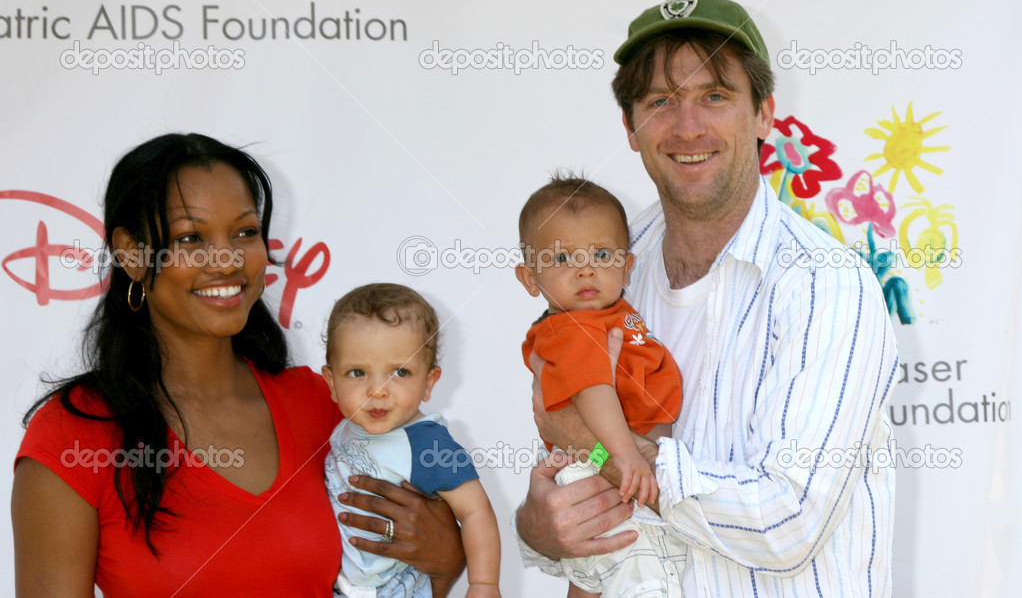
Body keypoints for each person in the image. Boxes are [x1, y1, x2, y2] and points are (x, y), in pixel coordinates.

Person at [515, 0, 899, 596]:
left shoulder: (825, 283)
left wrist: (617, 458)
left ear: (764, 113)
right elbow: (563, 441)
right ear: (631, 128)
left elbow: (788, 525)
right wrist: (539, 528)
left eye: (715, 96)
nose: (688, 126)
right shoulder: (601, 265)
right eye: (661, 102)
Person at [11, 133, 466, 597]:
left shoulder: (323, 403)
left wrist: (448, 554)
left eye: (245, 232)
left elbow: (416, 573)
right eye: (191, 238)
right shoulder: (73, 436)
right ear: (131, 253)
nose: (227, 259)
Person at [514, 175, 685, 597]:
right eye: (562, 259)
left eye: (602, 254)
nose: (586, 268)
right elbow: (595, 391)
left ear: (628, 266)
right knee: (641, 572)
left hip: (595, 460)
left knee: (591, 577)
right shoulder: (576, 329)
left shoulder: (606, 314)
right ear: (530, 278)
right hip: (602, 463)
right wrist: (626, 456)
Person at [322, 283, 502, 598]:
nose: (377, 390)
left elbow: (477, 512)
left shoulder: (428, 444)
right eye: (357, 373)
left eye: (400, 373)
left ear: (429, 383)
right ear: (332, 382)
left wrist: (483, 584)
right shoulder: (343, 428)